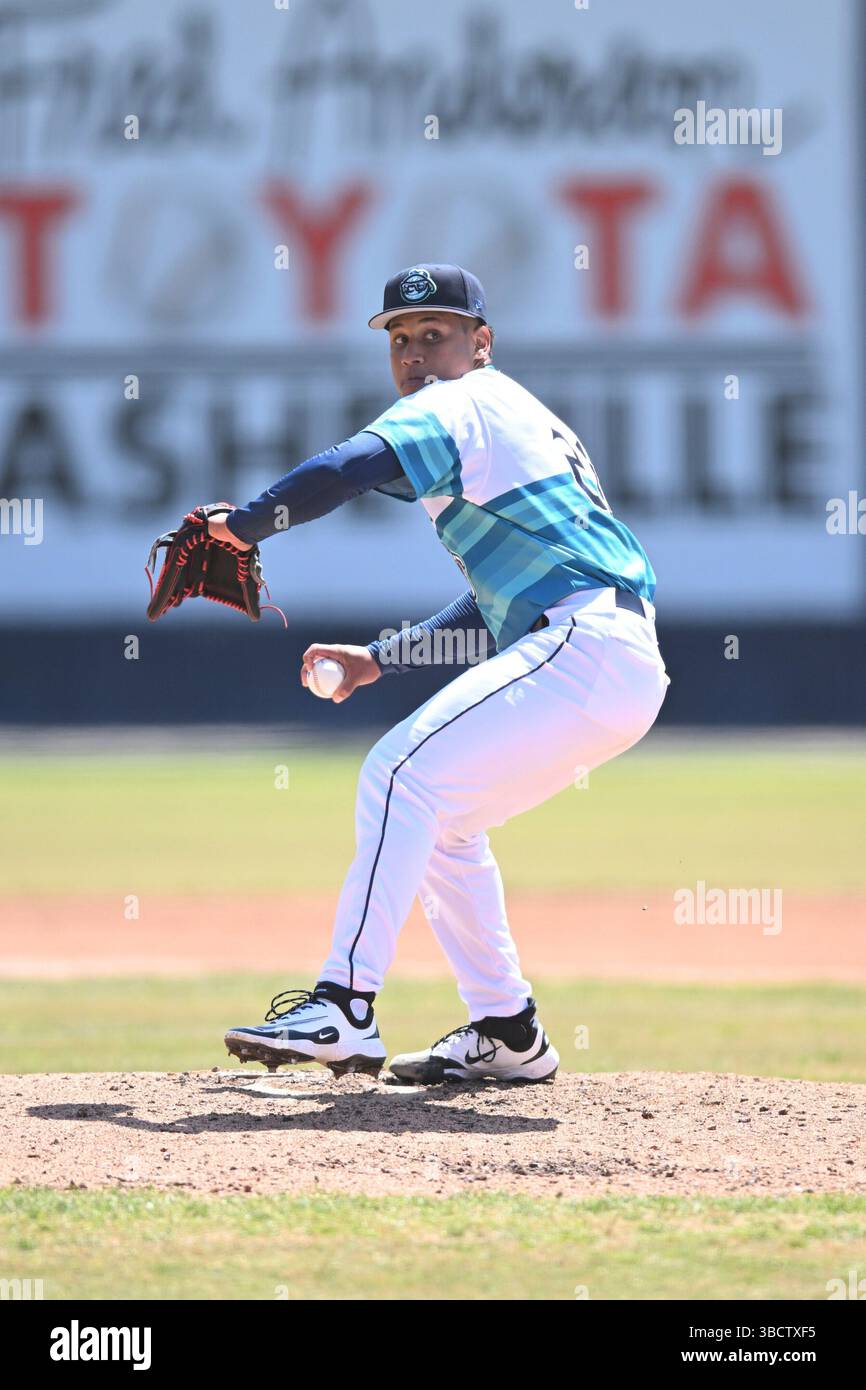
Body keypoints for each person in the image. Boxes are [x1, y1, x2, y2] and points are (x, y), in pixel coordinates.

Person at [218, 263, 669, 1084]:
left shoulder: (460, 402)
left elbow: (343, 468)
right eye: (399, 337)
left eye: (436, 333)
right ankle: (507, 1029)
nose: (415, 352)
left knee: (397, 775)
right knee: (443, 822)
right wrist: (380, 658)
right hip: (606, 656)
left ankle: (343, 1007)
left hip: (587, 643)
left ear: (480, 343)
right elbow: (493, 607)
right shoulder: (504, 416)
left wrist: (241, 527)